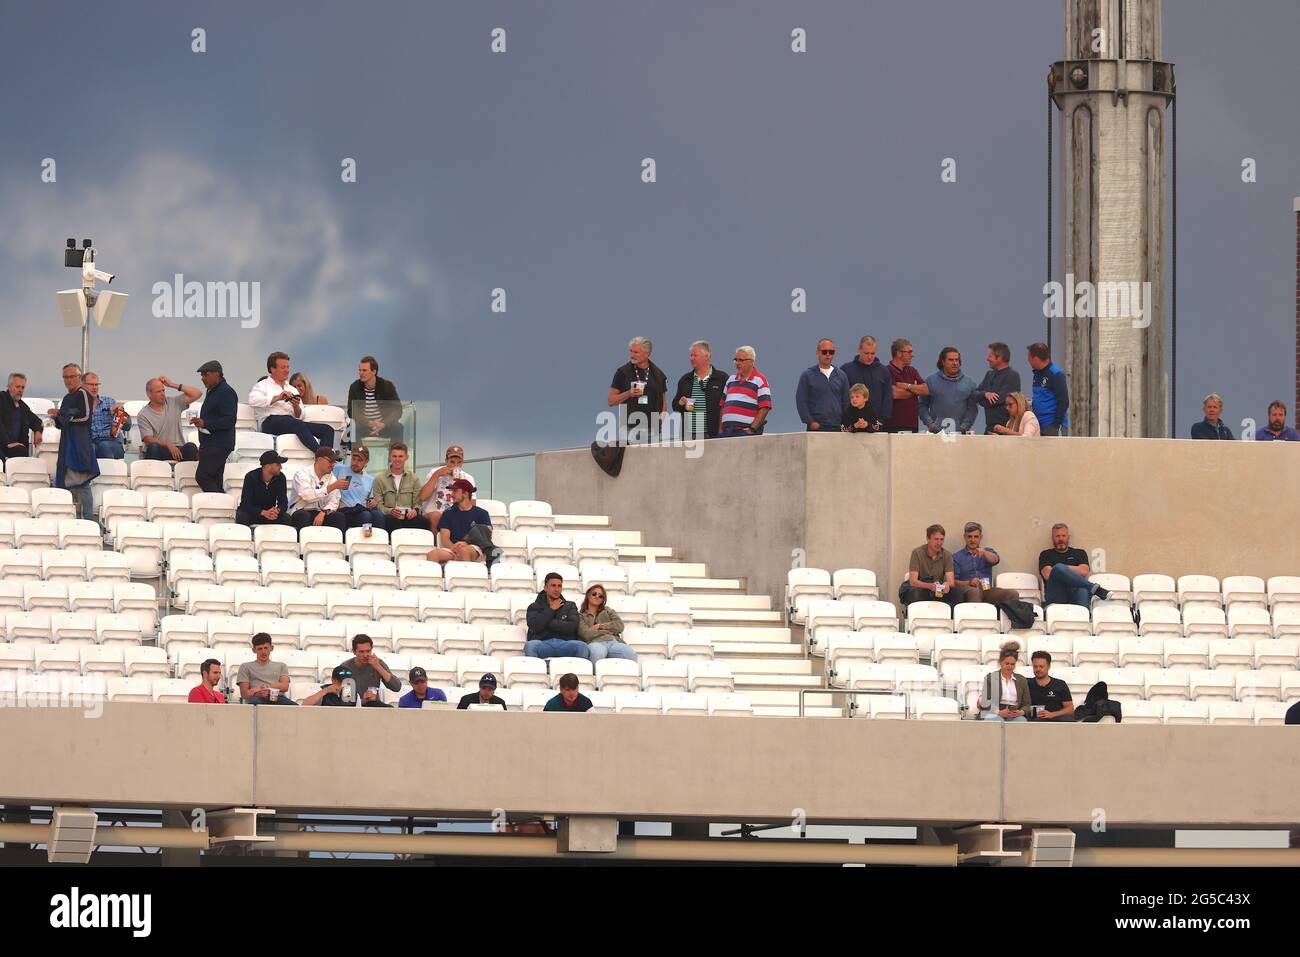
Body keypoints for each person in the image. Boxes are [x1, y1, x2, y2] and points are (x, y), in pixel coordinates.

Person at [248, 351, 333, 451]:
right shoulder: (262, 385)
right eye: (283, 367)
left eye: (288, 367)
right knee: (296, 423)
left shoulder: (292, 389)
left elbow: (300, 415)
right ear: (272, 369)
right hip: (270, 422)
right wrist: (278, 397)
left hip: (292, 423)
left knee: (327, 430)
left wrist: (296, 406)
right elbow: (253, 401)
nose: (287, 370)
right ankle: (322, 454)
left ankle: (323, 458)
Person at [50, 364, 98, 520]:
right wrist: (57, 416)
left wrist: (63, 413)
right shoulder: (66, 398)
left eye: (72, 376)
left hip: (80, 443)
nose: (69, 380)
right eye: (66, 377)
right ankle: (66, 519)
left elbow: (85, 416)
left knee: (83, 483)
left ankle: (89, 519)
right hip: (67, 444)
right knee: (64, 483)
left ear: (79, 377)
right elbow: (60, 424)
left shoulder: (83, 393)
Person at [1038, 523, 1111, 608]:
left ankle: (1085, 617)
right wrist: (1061, 569)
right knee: (1058, 567)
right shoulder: (1046, 554)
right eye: (1057, 536)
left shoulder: (1079, 553)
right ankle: (1093, 587)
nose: (1061, 539)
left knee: (1082, 590)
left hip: (1076, 592)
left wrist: (1062, 569)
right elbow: (1048, 574)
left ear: (1068, 537)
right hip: (1056, 594)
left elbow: (1084, 571)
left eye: (1063, 535)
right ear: (1052, 538)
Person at [193, 360, 238, 493]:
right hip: (213, 443)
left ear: (217, 374)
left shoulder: (226, 392)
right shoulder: (213, 390)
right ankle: (223, 509)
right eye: (202, 375)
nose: (202, 378)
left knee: (203, 476)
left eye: (205, 374)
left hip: (218, 444)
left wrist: (205, 423)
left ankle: (221, 504)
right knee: (215, 479)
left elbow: (230, 420)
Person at [608, 337, 669, 436]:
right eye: (631, 351)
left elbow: (664, 404)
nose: (632, 355)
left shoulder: (658, 374)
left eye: (636, 352)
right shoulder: (622, 373)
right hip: (629, 429)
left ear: (647, 354)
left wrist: (660, 422)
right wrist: (629, 393)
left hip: (653, 430)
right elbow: (610, 401)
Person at [950, 523, 1020, 605]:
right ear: (965, 537)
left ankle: (1012, 617)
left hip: (986, 590)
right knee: (974, 592)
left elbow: (996, 560)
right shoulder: (957, 556)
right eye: (969, 536)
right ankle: (975, 618)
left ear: (981, 537)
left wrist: (984, 553)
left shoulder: (987, 551)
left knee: (1013, 594)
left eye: (976, 537)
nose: (972, 540)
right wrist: (969, 582)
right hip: (968, 590)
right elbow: (954, 582)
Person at [672, 340, 729, 440]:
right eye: (691, 355)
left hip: (713, 434)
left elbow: (727, 406)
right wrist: (680, 403)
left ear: (707, 356)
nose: (691, 358)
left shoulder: (721, 378)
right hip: (689, 436)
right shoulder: (686, 379)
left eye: (695, 355)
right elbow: (675, 406)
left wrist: (721, 431)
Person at [524, 572, 588, 659]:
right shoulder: (534, 606)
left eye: (559, 586)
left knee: (582, 646)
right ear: (545, 588)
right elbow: (535, 626)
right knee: (530, 646)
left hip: (565, 644)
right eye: (553, 585)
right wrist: (551, 610)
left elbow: (572, 628)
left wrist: (546, 622)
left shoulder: (570, 605)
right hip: (542, 643)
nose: (557, 589)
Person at [428, 479, 493, 565]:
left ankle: (467, 578)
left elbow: (487, 534)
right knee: (432, 555)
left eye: (455, 491)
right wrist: (454, 549)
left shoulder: (482, 513)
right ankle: (437, 577)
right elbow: (445, 538)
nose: (451, 495)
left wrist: (466, 543)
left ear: (465, 494)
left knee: (464, 551)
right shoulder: (448, 513)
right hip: (453, 549)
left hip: (474, 548)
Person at [138, 375, 202, 462]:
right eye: (158, 391)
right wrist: (168, 445)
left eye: (163, 390)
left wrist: (172, 384)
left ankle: (187, 475)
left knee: (191, 447)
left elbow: (197, 393)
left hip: (178, 448)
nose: (162, 394)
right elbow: (148, 440)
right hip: (159, 449)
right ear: (149, 394)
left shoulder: (174, 402)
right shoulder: (143, 414)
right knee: (153, 447)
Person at [795, 339, 851, 432]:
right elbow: (801, 401)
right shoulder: (808, 375)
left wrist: (846, 422)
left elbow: (846, 402)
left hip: (837, 427)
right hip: (817, 428)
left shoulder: (841, 375)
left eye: (831, 352)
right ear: (817, 352)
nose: (828, 354)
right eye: (824, 351)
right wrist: (810, 421)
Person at [920, 347, 978, 434]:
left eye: (957, 360)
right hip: (936, 434)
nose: (955, 363)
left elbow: (972, 408)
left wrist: (964, 426)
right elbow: (922, 405)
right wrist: (930, 423)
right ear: (943, 362)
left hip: (960, 436)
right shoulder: (930, 381)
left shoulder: (969, 383)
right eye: (951, 360)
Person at [347, 356, 403, 444]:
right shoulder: (354, 387)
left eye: (364, 370)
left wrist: (383, 423)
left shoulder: (387, 386)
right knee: (354, 428)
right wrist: (369, 422)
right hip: (364, 426)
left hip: (384, 426)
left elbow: (398, 410)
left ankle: (395, 457)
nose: (361, 373)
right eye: (359, 370)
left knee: (398, 427)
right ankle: (360, 456)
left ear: (374, 371)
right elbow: (351, 411)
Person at [838, 335, 893, 426]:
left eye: (873, 353)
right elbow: (841, 397)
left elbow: (887, 398)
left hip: (876, 424)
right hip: (852, 424)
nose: (870, 357)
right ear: (859, 350)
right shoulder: (846, 370)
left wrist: (881, 420)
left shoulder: (883, 371)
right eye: (866, 353)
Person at [289, 447, 348, 531]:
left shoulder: (332, 477)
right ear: (319, 459)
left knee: (338, 517)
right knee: (304, 516)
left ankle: (338, 543)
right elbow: (307, 496)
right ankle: (303, 543)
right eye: (330, 461)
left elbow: (334, 501)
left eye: (334, 462)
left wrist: (323, 512)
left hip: (320, 512)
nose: (333, 464)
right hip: (300, 510)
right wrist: (331, 487)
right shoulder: (302, 473)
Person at [719, 346, 773, 436]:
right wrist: (720, 430)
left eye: (741, 360)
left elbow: (765, 407)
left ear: (751, 362)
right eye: (736, 360)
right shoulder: (730, 380)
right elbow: (722, 406)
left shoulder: (760, 380)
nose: (737, 363)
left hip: (745, 432)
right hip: (727, 432)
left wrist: (752, 429)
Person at [372, 442, 425, 531]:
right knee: (391, 520)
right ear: (389, 457)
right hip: (389, 517)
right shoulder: (379, 479)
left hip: (408, 516)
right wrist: (390, 511)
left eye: (400, 456)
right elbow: (379, 505)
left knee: (423, 522)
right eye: (394, 456)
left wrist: (415, 511)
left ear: (406, 457)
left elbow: (418, 503)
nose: (397, 459)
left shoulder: (414, 478)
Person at [577, 584, 636, 662]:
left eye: (600, 596)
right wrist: (608, 630)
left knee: (630, 653)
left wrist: (600, 626)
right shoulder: (580, 615)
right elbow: (585, 634)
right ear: (588, 595)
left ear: (603, 600)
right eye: (594, 594)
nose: (597, 596)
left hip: (613, 642)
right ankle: (595, 674)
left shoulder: (608, 611)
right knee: (597, 652)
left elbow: (620, 626)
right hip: (595, 642)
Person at [337, 634, 402, 704]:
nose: (365, 655)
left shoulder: (377, 663)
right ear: (354, 651)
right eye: (361, 652)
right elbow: (347, 701)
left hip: (374, 707)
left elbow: (396, 687)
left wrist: (378, 667)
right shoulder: (346, 668)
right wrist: (363, 700)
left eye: (368, 651)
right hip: (353, 709)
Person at [901, 524, 955, 607]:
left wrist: (946, 584)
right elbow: (913, 581)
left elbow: (951, 582)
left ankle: (946, 618)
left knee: (955, 594)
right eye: (936, 539)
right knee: (915, 593)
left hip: (938, 590)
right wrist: (930, 586)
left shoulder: (947, 555)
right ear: (928, 539)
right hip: (922, 587)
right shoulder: (917, 553)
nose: (939, 543)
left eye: (941, 539)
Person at [333, 445, 385, 530]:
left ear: (366, 461)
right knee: (366, 515)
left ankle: (380, 541)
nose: (355, 463)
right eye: (353, 459)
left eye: (360, 460)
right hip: (344, 510)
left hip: (361, 509)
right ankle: (360, 542)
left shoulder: (370, 479)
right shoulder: (339, 469)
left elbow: (372, 499)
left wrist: (373, 502)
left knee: (378, 515)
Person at [418, 444, 475, 521]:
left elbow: (472, 505)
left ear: (462, 463)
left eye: (459, 462)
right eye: (452, 462)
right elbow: (422, 497)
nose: (455, 465)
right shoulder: (434, 472)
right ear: (446, 461)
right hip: (435, 513)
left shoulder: (468, 478)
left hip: (456, 514)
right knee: (436, 516)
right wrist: (436, 475)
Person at [978, 641, 1032, 721]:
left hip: (1015, 714)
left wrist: (1021, 712)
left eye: (1012, 664)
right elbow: (985, 702)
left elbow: (1027, 704)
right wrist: (998, 712)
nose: (1010, 666)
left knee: (1021, 720)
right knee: (997, 721)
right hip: (995, 712)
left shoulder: (1022, 680)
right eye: (1007, 663)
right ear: (1000, 662)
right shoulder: (991, 678)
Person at [236, 450, 293, 527]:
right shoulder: (251, 477)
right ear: (268, 466)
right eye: (278, 464)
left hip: (270, 514)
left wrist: (277, 510)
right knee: (242, 516)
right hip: (254, 513)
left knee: (286, 519)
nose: (281, 467)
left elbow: (283, 503)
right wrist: (263, 512)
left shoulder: (281, 477)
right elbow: (245, 504)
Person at [236, 633, 296, 704]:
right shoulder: (245, 667)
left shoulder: (281, 666)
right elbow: (244, 694)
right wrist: (258, 693)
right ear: (254, 650)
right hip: (256, 698)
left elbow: (285, 686)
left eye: (266, 648)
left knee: (296, 708)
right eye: (260, 649)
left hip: (277, 697)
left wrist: (263, 688)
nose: (263, 652)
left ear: (271, 648)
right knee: (255, 703)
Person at [82, 371, 130, 460]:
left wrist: (121, 412)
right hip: (89, 442)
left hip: (111, 442)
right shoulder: (79, 405)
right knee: (87, 448)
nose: (94, 388)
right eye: (91, 385)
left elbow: (127, 427)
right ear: (83, 386)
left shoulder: (109, 402)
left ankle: (109, 473)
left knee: (104, 446)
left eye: (96, 385)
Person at [976, 342, 1021, 435]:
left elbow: (999, 400)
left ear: (1000, 357)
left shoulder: (1012, 376)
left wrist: (983, 400)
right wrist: (985, 394)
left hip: (1006, 429)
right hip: (989, 428)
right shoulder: (989, 375)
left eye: (990, 356)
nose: (987, 359)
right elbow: (975, 394)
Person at [884, 339, 927, 433]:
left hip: (912, 426)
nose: (912, 355)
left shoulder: (912, 371)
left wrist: (907, 386)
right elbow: (894, 393)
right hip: (893, 426)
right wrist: (915, 391)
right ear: (899, 353)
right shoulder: (886, 371)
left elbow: (926, 390)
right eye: (909, 352)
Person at [1027, 342, 1069, 436]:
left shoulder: (1056, 374)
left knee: (1055, 451)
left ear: (1036, 358)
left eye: (1029, 358)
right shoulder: (1037, 374)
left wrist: (1056, 425)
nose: (1028, 360)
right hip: (1038, 425)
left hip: (1052, 426)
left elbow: (1064, 401)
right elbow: (1043, 397)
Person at [0, 373, 44, 461]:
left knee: (22, 452)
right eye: (17, 387)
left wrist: (38, 431)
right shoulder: (1, 398)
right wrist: (7, 443)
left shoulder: (23, 407)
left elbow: (36, 421)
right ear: (9, 387)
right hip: (2, 445)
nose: (20, 390)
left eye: (22, 387)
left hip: (17, 449)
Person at [1027, 651, 1074, 721]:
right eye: (1035, 666)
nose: (1038, 669)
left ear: (1049, 666)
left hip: (1057, 720)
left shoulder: (1060, 684)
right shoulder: (1026, 683)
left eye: (1041, 666)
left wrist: (1052, 714)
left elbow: (1070, 709)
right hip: (1035, 721)